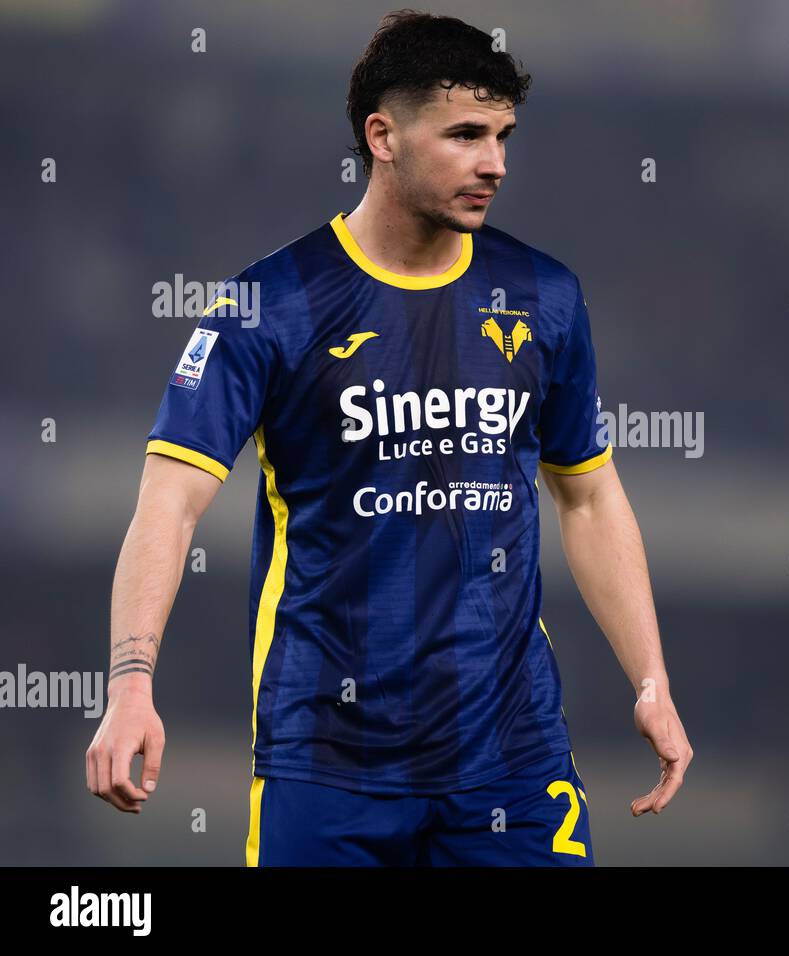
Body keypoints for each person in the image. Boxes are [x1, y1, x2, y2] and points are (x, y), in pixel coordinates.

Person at [85, 11, 691, 866]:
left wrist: (651, 682)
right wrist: (130, 683)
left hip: (511, 761)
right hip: (326, 761)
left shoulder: (544, 295)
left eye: (504, 136)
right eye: (467, 134)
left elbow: (588, 496)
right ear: (383, 136)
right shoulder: (269, 305)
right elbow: (168, 504)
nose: (495, 163)